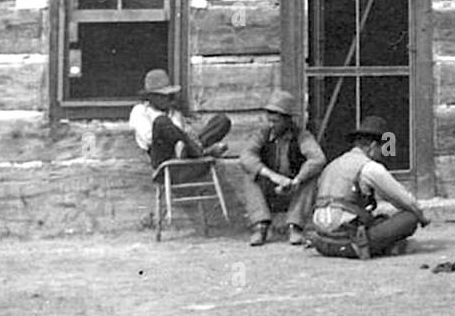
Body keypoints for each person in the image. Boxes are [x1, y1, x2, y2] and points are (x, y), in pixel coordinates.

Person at [308, 116, 431, 260]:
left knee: (380, 219)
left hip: (322, 242)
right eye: (381, 148)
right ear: (373, 147)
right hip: (346, 241)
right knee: (409, 218)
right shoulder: (369, 167)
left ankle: (386, 246)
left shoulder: (332, 165)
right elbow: (404, 200)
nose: (382, 154)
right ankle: (385, 247)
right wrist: (421, 217)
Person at [238, 90, 327, 247]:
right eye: (269, 120)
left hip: (294, 187)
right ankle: (260, 226)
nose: (271, 125)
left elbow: (318, 158)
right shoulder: (262, 134)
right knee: (249, 174)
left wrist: (297, 180)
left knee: (312, 178)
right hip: (269, 187)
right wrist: (272, 176)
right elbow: (246, 156)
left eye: (276, 121)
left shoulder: (302, 136)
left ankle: (295, 226)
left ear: (287, 120)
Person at [128, 69, 230, 171]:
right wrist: (177, 135)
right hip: (162, 154)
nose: (166, 99)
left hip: (185, 148)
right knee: (161, 122)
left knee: (222, 120)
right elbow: (149, 138)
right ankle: (200, 151)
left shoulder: (174, 112)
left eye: (168, 95)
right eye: (161, 96)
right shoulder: (140, 111)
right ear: (151, 97)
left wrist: (187, 136)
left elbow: (186, 131)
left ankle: (197, 150)